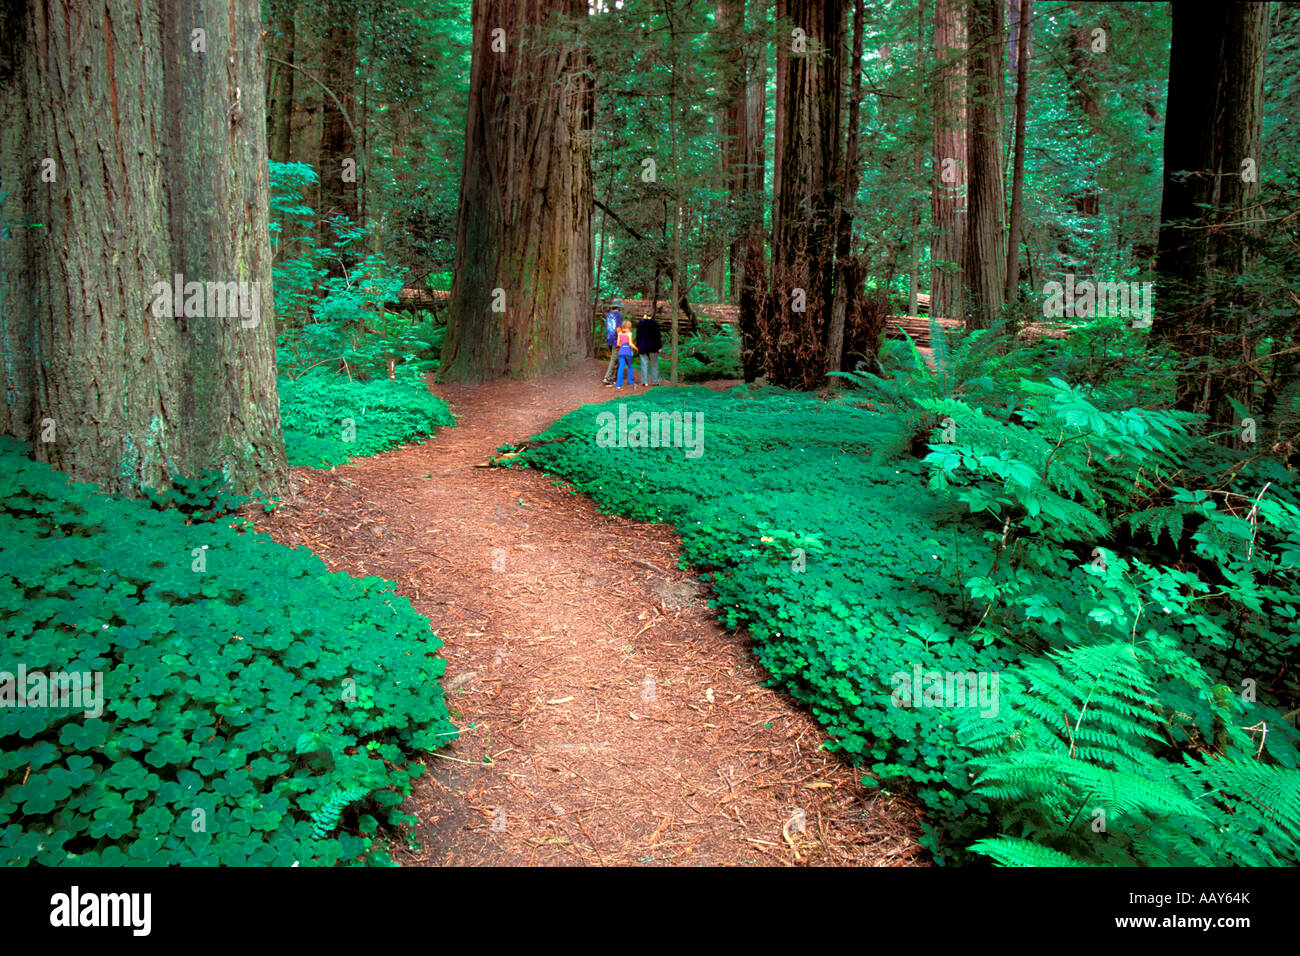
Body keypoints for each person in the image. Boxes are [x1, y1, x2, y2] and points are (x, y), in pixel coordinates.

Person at [635, 310, 662, 387]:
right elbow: (658, 336)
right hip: (653, 347)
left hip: (643, 347)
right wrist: (660, 346)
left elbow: (638, 336)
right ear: (652, 314)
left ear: (645, 314)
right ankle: (655, 382)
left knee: (644, 364)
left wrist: (638, 346)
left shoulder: (640, 323)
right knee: (654, 364)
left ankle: (644, 382)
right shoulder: (655, 323)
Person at [601, 299, 624, 386]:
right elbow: (618, 328)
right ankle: (607, 377)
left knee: (616, 358)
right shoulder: (618, 314)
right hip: (616, 340)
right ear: (618, 307)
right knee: (614, 359)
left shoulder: (609, 314)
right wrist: (621, 339)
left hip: (609, 339)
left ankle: (611, 378)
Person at [615, 318, 638, 388]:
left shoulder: (620, 333)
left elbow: (618, 344)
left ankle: (618, 384)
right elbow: (630, 344)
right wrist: (637, 348)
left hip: (621, 351)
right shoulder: (629, 333)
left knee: (621, 367)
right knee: (630, 367)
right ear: (629, 327)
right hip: (628, 352)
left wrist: (623, 344)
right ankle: (631, 382)